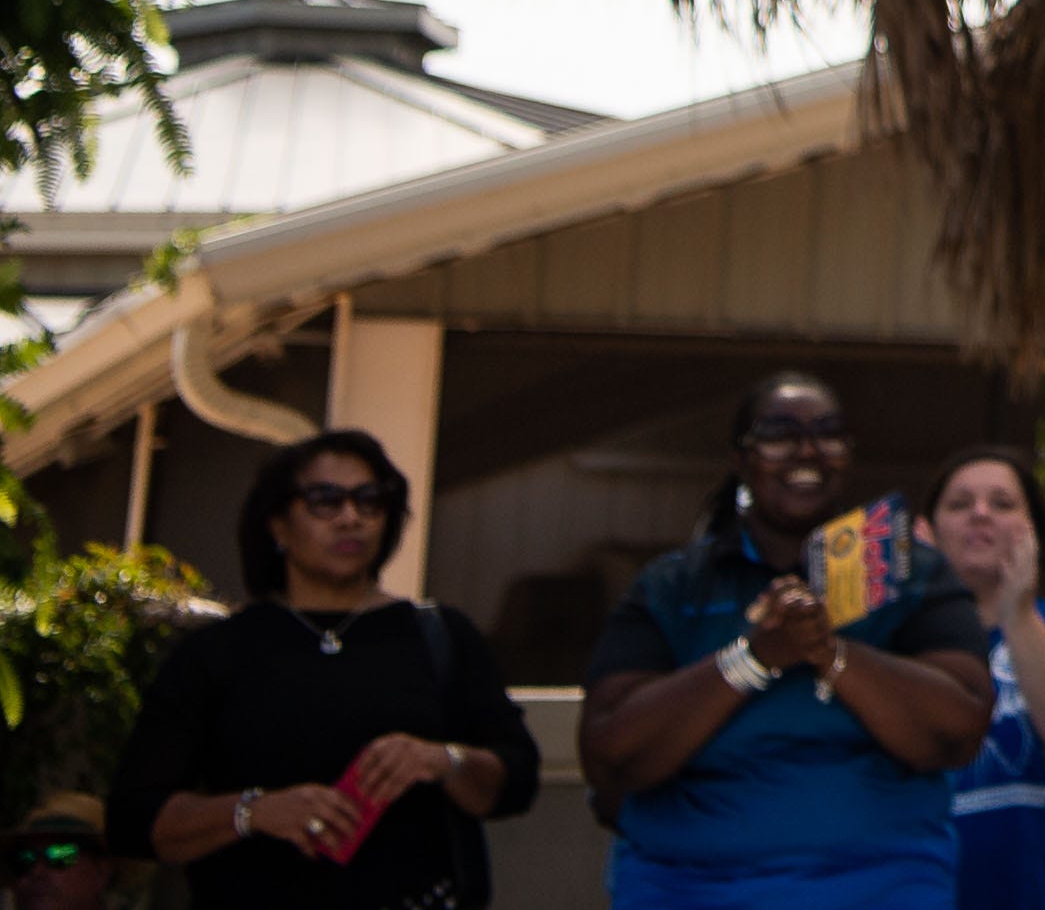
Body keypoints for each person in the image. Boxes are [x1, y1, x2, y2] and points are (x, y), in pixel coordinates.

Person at [581, 372, 994, 910]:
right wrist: (754, 658)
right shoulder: (674, 586)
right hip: (693, 883)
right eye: (779, 435)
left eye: (828, 434)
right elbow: (611, 756)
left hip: (878, 881)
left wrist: (830, 652)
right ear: (740, 459)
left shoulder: (912, 575)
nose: (808, 452)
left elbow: (957, 732)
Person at [110, 427, 541, 907]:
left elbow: (518, 779)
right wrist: (253, 811)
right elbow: (134, 819)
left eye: (369, 501)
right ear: (277, 524)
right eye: (325, 501)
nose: (350, 518)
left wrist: (445, 760)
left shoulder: (439, 636)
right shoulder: (218, 652)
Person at [930, 445, 1045, 910]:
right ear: (928, 533)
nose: (980, 514)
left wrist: (1019, 615)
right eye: (960, 504)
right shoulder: (903, 646)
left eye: (1002, 503)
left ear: (1034, 531)